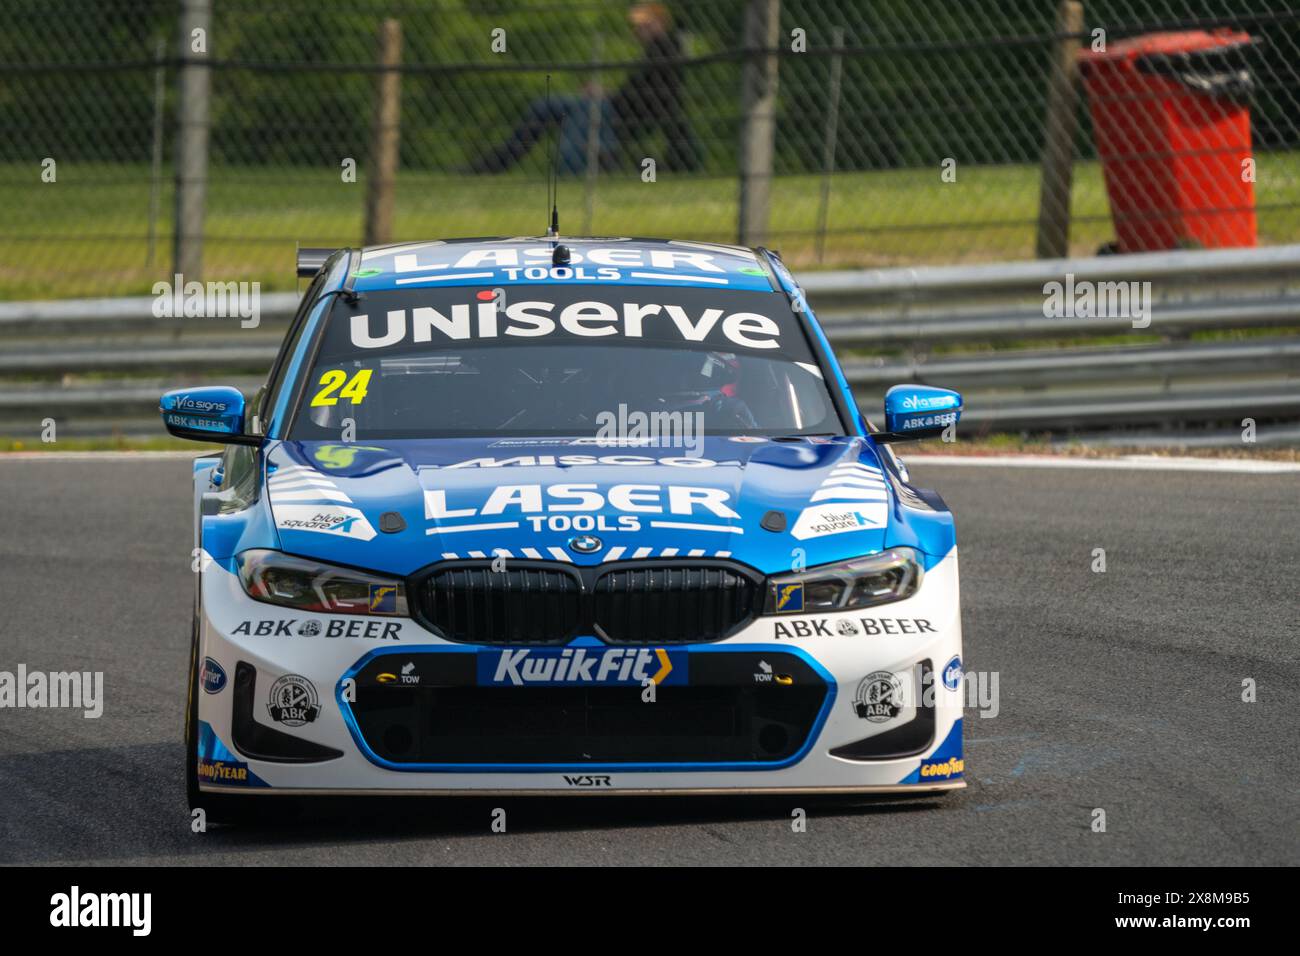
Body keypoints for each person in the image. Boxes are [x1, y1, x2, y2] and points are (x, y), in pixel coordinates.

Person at [470, 2, 699, 175]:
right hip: (615, 106)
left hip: (619, 113)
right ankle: (495, 162)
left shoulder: (666, 49)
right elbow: (635, 92)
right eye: (637, 26)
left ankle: (569, 170)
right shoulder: (657, 51)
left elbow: (648, 98)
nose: (637, 30)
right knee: (545, 105)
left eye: (644, 25)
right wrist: (606, 93)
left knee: (572, 111)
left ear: (659, 23)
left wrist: (604, 95)